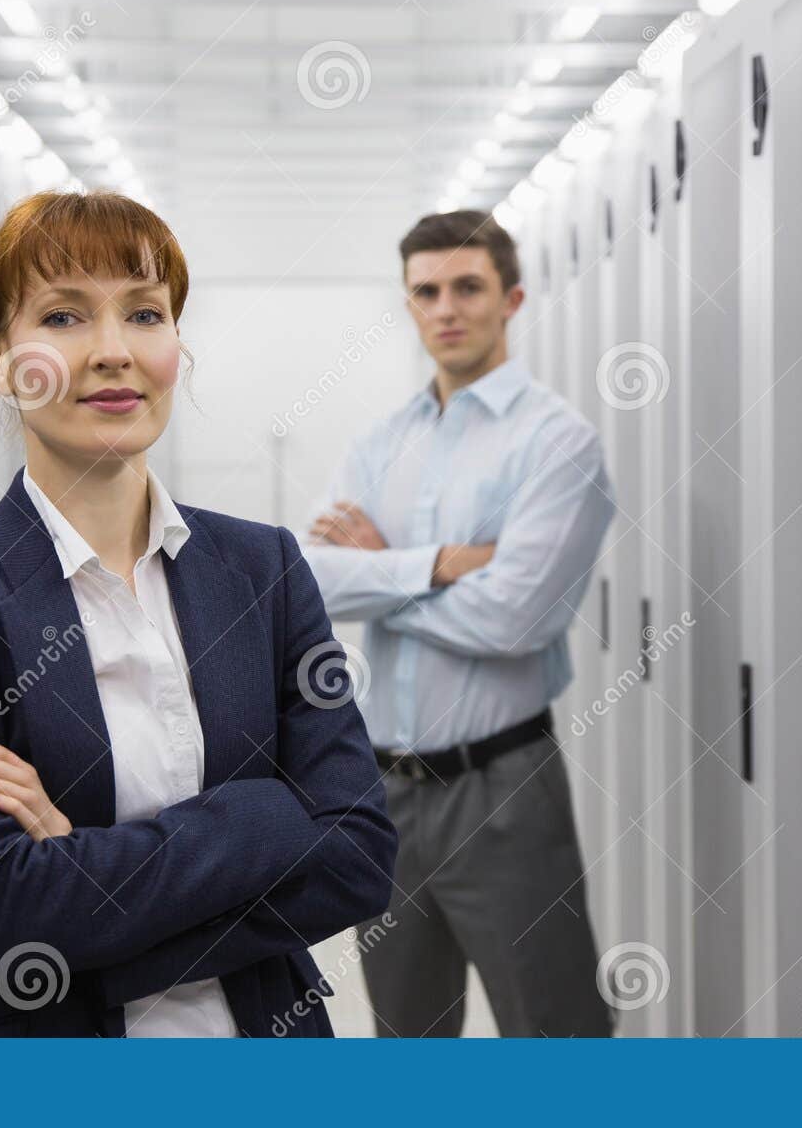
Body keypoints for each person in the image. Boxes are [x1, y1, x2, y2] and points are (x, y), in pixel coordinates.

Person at [0, 190, 396, 1038]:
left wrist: (82, 869)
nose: (113, 352)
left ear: (175, 344)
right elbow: (1, 909)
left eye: (145, 313)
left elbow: (359, 854)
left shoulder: (263, 570)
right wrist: (268, 812)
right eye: (66, 316)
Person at [301, 210, 616, 1036]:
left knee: (556, 1035)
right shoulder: (379, 443)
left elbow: (518, 614)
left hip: (503, 791)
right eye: (427, 291)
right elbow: (317, 580)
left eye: (467, 286)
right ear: (409, 305)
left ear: (510, 298)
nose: (447, 307)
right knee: (409, 1038)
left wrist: (385, 562)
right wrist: (442, 560)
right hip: (383, 796)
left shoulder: (558, 443)